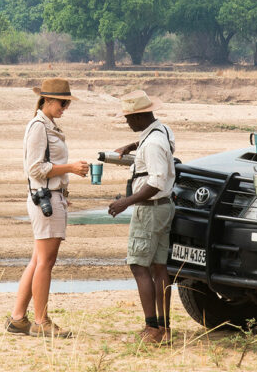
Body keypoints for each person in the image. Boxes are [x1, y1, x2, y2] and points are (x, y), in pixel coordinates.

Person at [7, 78, 89, 338]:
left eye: (66, 103)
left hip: (51, 197)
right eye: (62, 103)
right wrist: (70, 169)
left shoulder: (47, 125)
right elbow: (35, 168)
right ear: (48, 100)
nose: (65, 107)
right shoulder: (39, 127)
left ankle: (18, 318)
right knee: (46, 261)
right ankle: (40, 321)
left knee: (38, 260)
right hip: (45, 199)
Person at [107, 90, 176, 345]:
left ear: (139, 117)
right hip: (163, 208)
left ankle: (152, 327)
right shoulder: (163, 132)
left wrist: (126, 201)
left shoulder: (154, 144)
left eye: (129, 118)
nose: (127, 123)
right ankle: (164, 327)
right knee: (159, 267)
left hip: (150, 209)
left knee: (138, 265)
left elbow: (156, 181)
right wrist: (133, 145)